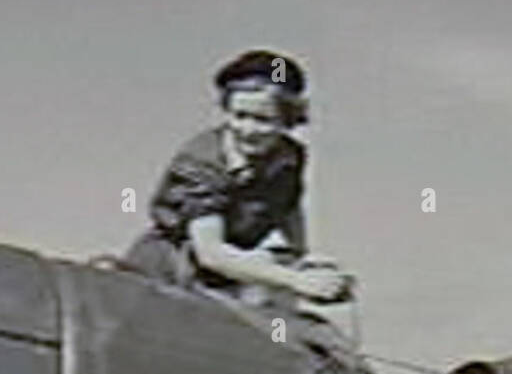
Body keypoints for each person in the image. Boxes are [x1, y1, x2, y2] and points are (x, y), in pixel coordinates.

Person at [121, 49, 352, 314]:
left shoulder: (290, 156)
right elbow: (211, 253)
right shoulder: (201, 162)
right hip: (169, 272)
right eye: (239, 116)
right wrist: (297, 281)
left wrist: (302, 260)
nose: (248, 130)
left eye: (263, 120)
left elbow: (288, 205)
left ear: (288, 119)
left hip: (231, 272)